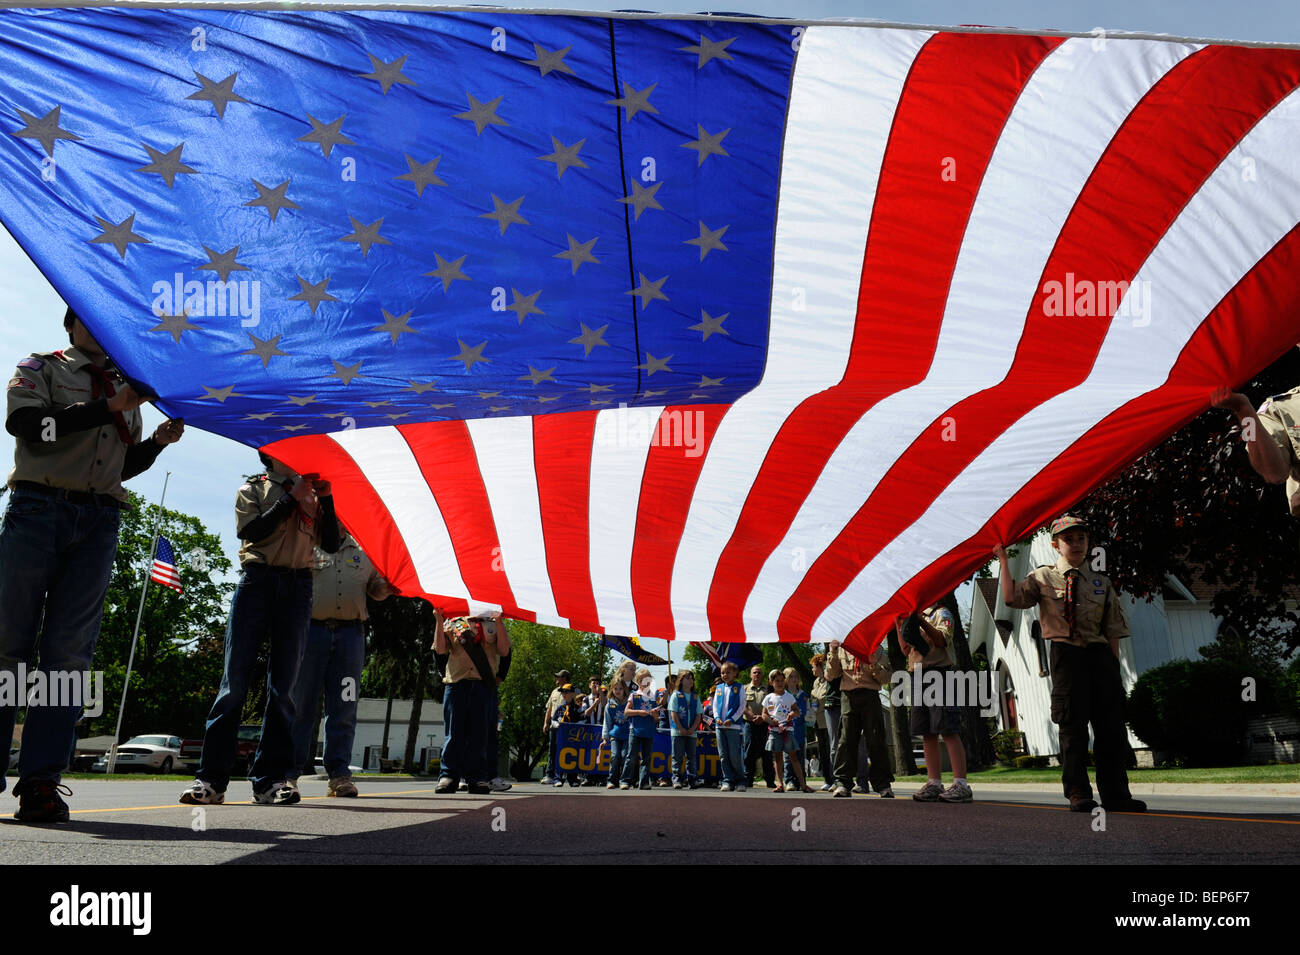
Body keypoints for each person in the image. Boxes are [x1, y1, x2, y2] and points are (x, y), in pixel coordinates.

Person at [2, 307, 183, 822]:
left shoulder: (125, 388)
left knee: (67, 659)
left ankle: (40, 782)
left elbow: (122, 465)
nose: (99, 328)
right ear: (70, 325)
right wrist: (110, 406)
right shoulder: (43, 368)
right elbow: (30, 428)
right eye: (88, 317)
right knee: (7, 649)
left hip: (99, 521)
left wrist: (154, 443)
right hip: (39, 509)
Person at [181, 452, 339, 807]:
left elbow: (330, 543)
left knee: (284, 687)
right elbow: (250, 531)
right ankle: (211, 779)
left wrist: (325, 498)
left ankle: (271, 781)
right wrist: (290, 498)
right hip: (258, 581)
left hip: (299, 585)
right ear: (270, 453)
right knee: (234, 683)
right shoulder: (252, 489)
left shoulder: (315, 494)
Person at [996, 515, 1145, 813]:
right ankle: (1078, 792)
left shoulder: (1102, 583)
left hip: (1100, 658)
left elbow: (1113, 631)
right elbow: (1011, 599)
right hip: (1067, 655)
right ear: (1056, 545)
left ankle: (1116, 795)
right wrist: (1002, 560)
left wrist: (1113, 671)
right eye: (1069, 539)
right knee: (1072, 726)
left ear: (1089, 543)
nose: (1076, 544)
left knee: (1110, 729)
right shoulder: (1042, 577)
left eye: (1081, 538)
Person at [288, 531, 392, 797]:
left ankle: (339, 775)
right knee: (301, 705)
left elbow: (377, 589)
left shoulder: (365, 547)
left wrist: (390, 585)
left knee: (345, 705)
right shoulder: (307, 543)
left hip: (350, 636)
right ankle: (288, 775)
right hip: (311, 633)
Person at [899, 606, 972, 803]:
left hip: (939, 673)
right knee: (927, 732)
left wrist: (921, 620)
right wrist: (900, 624)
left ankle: (961, 784)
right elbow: (906, 649)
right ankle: (934, 782)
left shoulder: (940, 614)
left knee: (947, 728)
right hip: (917, 675)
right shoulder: (910, 616)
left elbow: (942, 640)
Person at [434, 612, 511, 795]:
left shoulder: (492, 622)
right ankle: (448, 776)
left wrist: (499, 622)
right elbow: (439, 649)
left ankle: (477, 778)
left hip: (482, 684)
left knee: (479, 734)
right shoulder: (452, 622)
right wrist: (438, 620)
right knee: (454, 733)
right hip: (456, 683)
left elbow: (504, 650)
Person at [827, 637, 894, 798]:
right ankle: (843, 782)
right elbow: (830, 675)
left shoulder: (876, 648)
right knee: (846, 740)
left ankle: (882, 784)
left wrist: (872, 663)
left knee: (876, 740)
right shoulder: (842, 647)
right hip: (848, 696)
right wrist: (833, 652)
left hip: (870, 696)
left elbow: (886, 678)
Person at [763, 669, 812, 793]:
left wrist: (792, 713)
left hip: (788, 729)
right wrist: (770, 721)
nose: (779, 683)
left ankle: (803, 784)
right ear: (771, 682)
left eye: (781, 681)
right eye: (776, 681)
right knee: (778, 757)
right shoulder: (769, 697)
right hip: (775, 730)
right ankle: (780, 784)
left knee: (793, 757)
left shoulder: (789, 696)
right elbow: (764, 714)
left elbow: (797, 710)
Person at [712, 662, 746, 792]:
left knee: (734, 755)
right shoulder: (719, 688)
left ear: (735, 673)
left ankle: (740, 780)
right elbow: (715, 705)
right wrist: (717, 718)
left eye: (728, 672)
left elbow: (742, 705)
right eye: (722, 672)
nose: (725, 675)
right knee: (723, 755)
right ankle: (727, 780)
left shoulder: (739, 687)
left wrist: (732, 719)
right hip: (720, 727)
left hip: (733, 726)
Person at [623, 668, 659, 790]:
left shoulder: (653, 697)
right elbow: (626, 711)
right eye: (645, 679)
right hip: (635, 729)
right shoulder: (634, 695)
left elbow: (657, 718)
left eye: (649, 678)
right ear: (638, 681)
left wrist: (655, 715)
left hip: (648, 730)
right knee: (631, 756)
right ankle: (625, 780)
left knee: (646, 758)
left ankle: (643, 782)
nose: (648, 681)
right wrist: (639, 712)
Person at [743, 664, 775, 788]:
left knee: (767, 753)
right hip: (749, 724)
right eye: (754, 672)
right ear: (750, 675)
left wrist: (762, 717)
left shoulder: (768, 689)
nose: (756, 674)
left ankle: (770, 780)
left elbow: (772, 706)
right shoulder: (745, 689)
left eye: (759, 672)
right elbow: (742, 706)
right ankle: (748, 779)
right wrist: (752, 716)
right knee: (749, 753)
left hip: (764, 724)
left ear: (762, 675)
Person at [668, 670, 702, 789]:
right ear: (681, 680)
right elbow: (674, 713)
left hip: (692, 732)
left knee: (691, 757)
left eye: (692, 678)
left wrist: (692, 728)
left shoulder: (695, 696)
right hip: (677, 731)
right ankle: (677, 779)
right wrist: (681, 728)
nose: (690, 680)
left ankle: (692, 779)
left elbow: (699, 715)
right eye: (687, 678)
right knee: (677, 756)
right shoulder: (675, 695)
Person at [782, 667, 812, 789]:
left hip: (800, 729)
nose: (794, 679)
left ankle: (801, 780)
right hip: (787, 729)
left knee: (800, 756)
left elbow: (809, 712)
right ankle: (789, 780)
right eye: (791, 677)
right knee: (788, 757)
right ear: (786, 679)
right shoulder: (783, 695)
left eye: (796, 677)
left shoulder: (803, 695)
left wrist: (808, 719)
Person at [809, 654, 835, 791]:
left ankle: (835, 778)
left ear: (820, 666)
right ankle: (827, 780)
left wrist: (816, 704)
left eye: (813, 667)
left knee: (831, 750)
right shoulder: (816, 682)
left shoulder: (828, 681)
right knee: (823, 752)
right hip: (818, 722)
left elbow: (821, 700)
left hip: (827, 721)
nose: (812, 670)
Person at [549, 683, 584, 787]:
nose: (564, 694)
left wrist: (574, 726)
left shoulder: (577, 708)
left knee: (572, 757)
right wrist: (558, 725)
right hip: (561, 738)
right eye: (563, 693)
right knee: (559, 756)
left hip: (572, 738)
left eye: (567, 692)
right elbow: (553, 720)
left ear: (573, 694)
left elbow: (582, 720)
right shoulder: (560, 708)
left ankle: (572, 779)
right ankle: (557, 778)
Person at [540, 668, 571, 784]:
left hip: (567, 725)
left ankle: (566, 775)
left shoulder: (572, 690)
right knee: (552, 749)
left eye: (559, 676)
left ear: (564, 679)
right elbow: (549, 709)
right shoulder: (554, 692)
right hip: (554, 724)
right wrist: (545, 723)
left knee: (566, 749)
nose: (556, 679)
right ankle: (550, 774)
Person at [602, 678, 631, 790]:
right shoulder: (609, 705)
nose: (618, 691)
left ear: (624, 690)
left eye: (620, 688)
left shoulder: (630, 702)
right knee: (615, 756)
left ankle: (624, 780)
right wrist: (605, 738)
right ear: (612, 690)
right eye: (615, 688)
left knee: (625, 756)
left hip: (628, 735)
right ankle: (611, 780)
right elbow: (607, 722)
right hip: (615, 735)